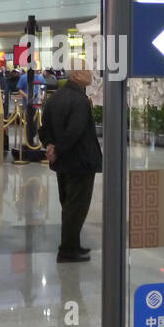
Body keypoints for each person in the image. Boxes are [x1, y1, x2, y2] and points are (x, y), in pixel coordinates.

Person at [39, 67, 101, 263]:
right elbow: (74, 132)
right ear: (76, 76)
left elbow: (44, 127)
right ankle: (67, 250)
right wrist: (57, 149)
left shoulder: (55, 97)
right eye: (86, 72)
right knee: (76, 207)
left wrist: (50, 145)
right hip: (80, 162)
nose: (91, 75)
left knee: (68, 205)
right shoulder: (80, 101)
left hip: (63, 163)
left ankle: (72, 245)